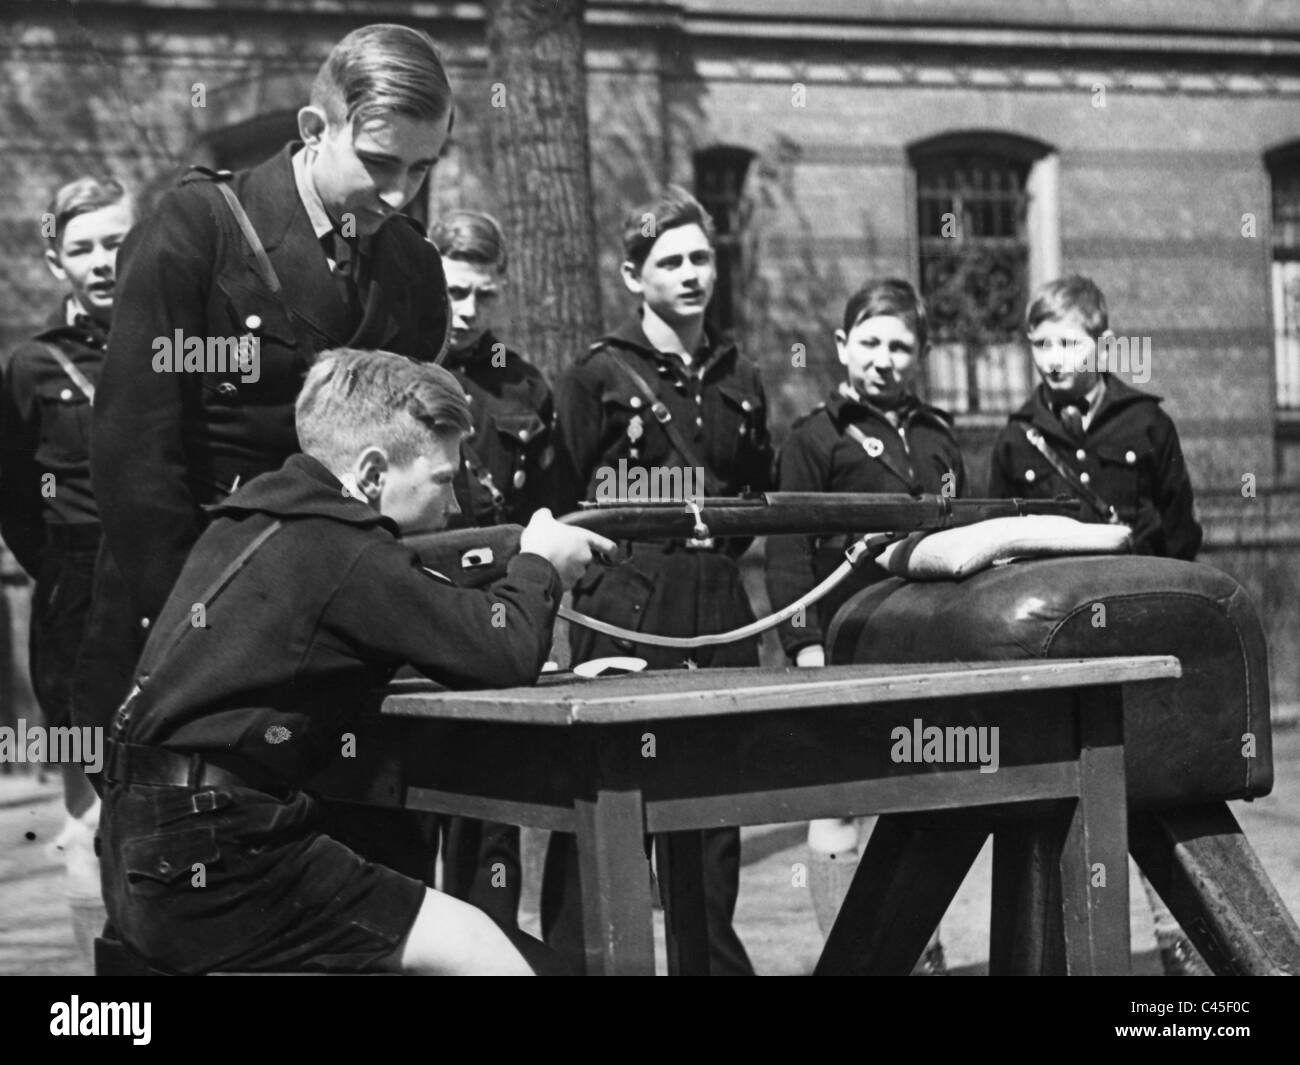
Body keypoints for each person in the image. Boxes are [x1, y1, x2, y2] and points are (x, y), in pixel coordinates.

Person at [98, 350, 613, 975]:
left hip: (147, 841)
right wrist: (540, 563)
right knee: (492, 954)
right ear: (372, 473)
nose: (454, 506)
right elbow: (502, 650)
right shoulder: (346, 552)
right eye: (445, 479)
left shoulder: (246, 522)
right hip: (226, 854)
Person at [73, 23, 455, 756]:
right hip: (189, 628)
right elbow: (135, 461)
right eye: (379, 163)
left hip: (341, 640)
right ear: (316, 128)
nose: (400, 194)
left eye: (423, 168)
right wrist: (211, 625)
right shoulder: (199, 229)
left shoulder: (414, 271)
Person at [545, 185, 773, 975]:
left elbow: (757, 490)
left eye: (701, 258)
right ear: (633, 275)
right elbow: (558, 500)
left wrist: (730, 520)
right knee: (605, 824)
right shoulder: (597, 377)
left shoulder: (741, 374)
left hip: (717, 613)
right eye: (670, 261)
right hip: (628, 613)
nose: (690, 274)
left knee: (711, 828)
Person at [988, 273, 1206, 975]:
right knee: (1061, 797)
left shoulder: (1146, 424)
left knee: (1155, 792)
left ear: (1101, 342)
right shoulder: (1018, 439)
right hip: (1059, 646)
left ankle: (1183, 944)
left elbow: (1179, 531)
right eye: (1041, 342)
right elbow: (1003, 544)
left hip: (1139, 635)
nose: (1054, 356)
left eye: (1069, 340)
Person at [764, 277, 962, 973]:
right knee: (842, 804)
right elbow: (786, 551)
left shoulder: (938, 436)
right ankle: (852, 959)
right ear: (844, 345)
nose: (884, 358)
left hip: (927, 646)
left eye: (900, 345)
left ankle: (921, 951)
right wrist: (805, 644)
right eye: (870, 342)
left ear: (922, 353)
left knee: (922, 799)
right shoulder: (814, 438)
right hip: (845, 644)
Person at [425, 209, 580, 928]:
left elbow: (550, 516)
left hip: (495, 623)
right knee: (398, 827)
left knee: (491, 829)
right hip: (407, 613)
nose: (467, 310)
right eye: (455, 289)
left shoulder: (523, 388)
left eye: (484, 295)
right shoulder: (393, 369)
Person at [0, 176, 135, 965]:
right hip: (75, 608)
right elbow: (14, 493)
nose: (102, 261)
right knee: (87, 804)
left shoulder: (175, 347)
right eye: (82, 247)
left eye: (115, 241)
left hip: (168, 592)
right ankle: (100, 988)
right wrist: (61, 570)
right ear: (57, 262)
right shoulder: (30, 366)